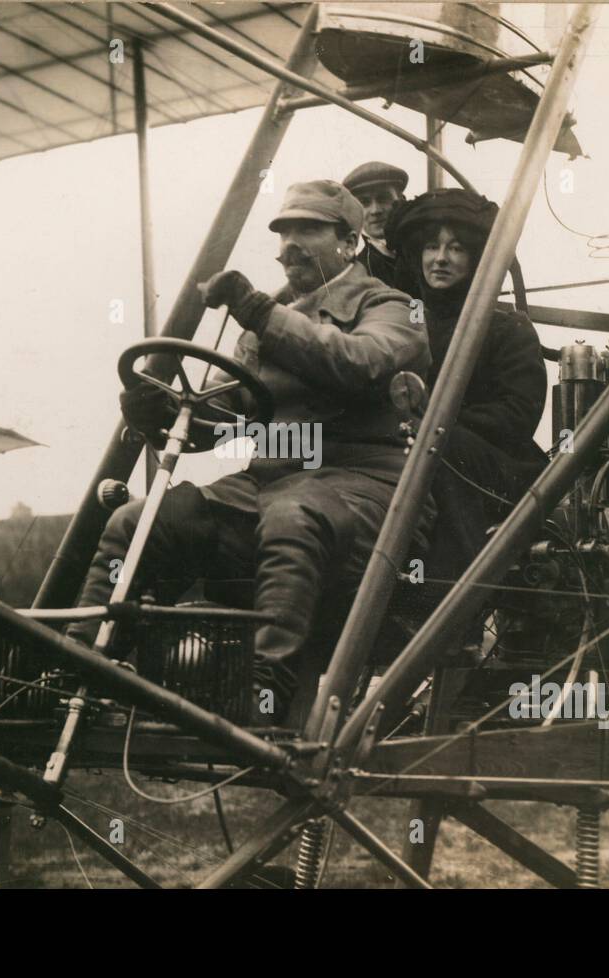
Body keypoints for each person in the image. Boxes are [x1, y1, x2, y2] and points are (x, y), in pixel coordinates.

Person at [69, 180, 429, 720]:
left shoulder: (393, 307)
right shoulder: (266, 320)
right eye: (284, 231)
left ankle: (264, 694)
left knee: (292, 515)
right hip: (268, 483)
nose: (290, 244)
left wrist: (257, 310)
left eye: (308, 229)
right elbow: (217, 417)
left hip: (363, 489)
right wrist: (160, 414)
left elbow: (361, 364)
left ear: (351, 241)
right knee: (138, 521)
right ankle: (77, 666)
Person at [383, 188, 548, 579]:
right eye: (431, 247)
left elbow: (518, 415)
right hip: (411, 451)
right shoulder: (398, 325)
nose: (440, 258)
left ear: (475, 258)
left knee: (435, 450)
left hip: (496, 468)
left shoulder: (507, 328)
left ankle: (446, 602)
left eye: (455, 248)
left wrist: (439, 428)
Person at [343, 161, 408, 287]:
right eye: (365, 202)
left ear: (401, 200)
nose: (375, 210)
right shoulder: (359, 272)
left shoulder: (425, 253)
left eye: (383, 198)